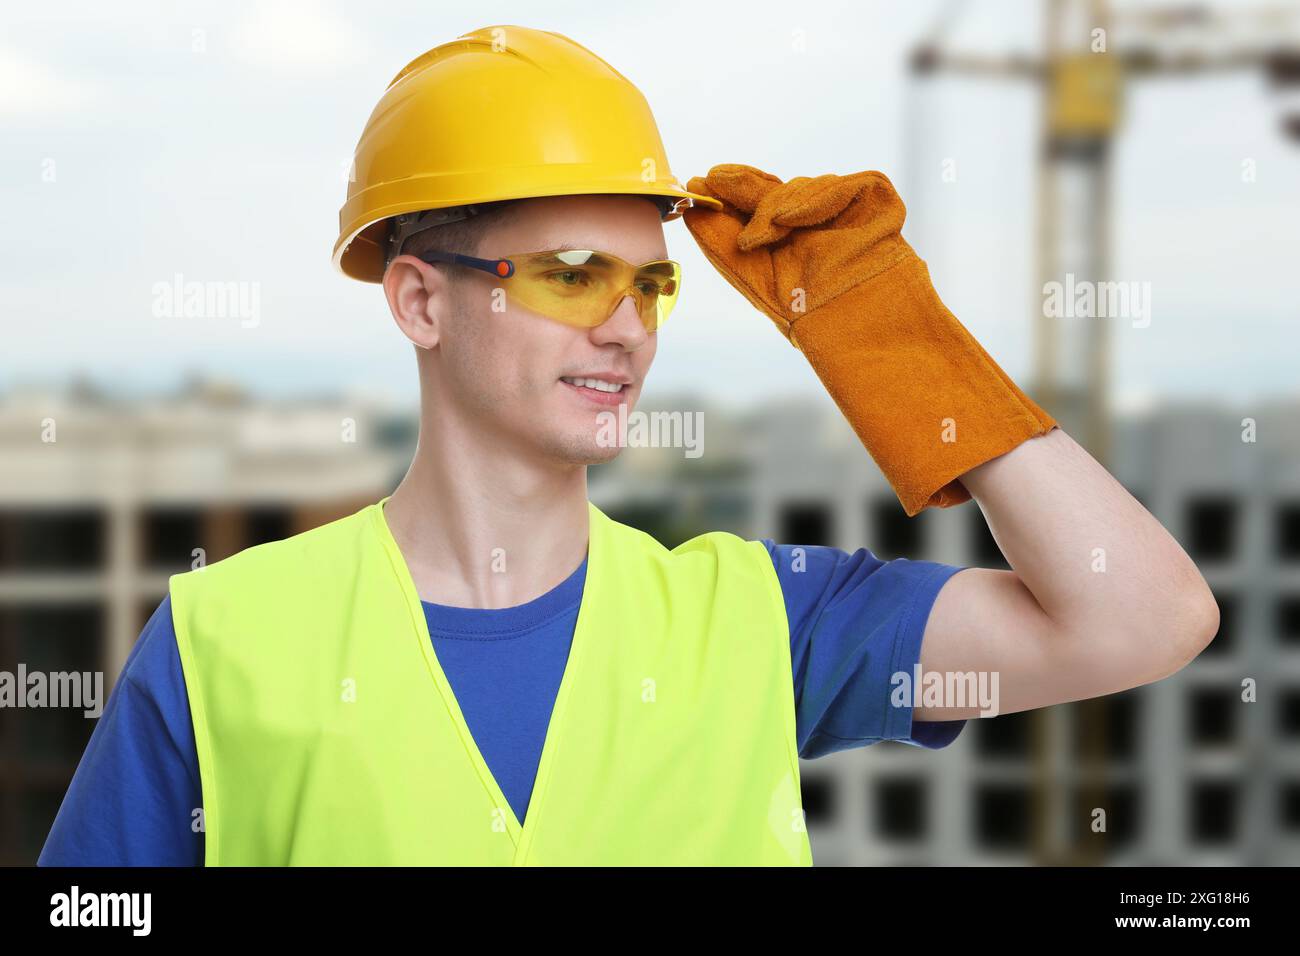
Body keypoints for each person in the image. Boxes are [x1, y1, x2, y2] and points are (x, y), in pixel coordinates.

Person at [39, 24, 1218, 867]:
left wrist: (887, 331)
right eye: (569, 276)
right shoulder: (220, 642)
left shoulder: (764, 621)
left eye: (650, 284)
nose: (624, 325)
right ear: (418, 301)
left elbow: (1142, 617)